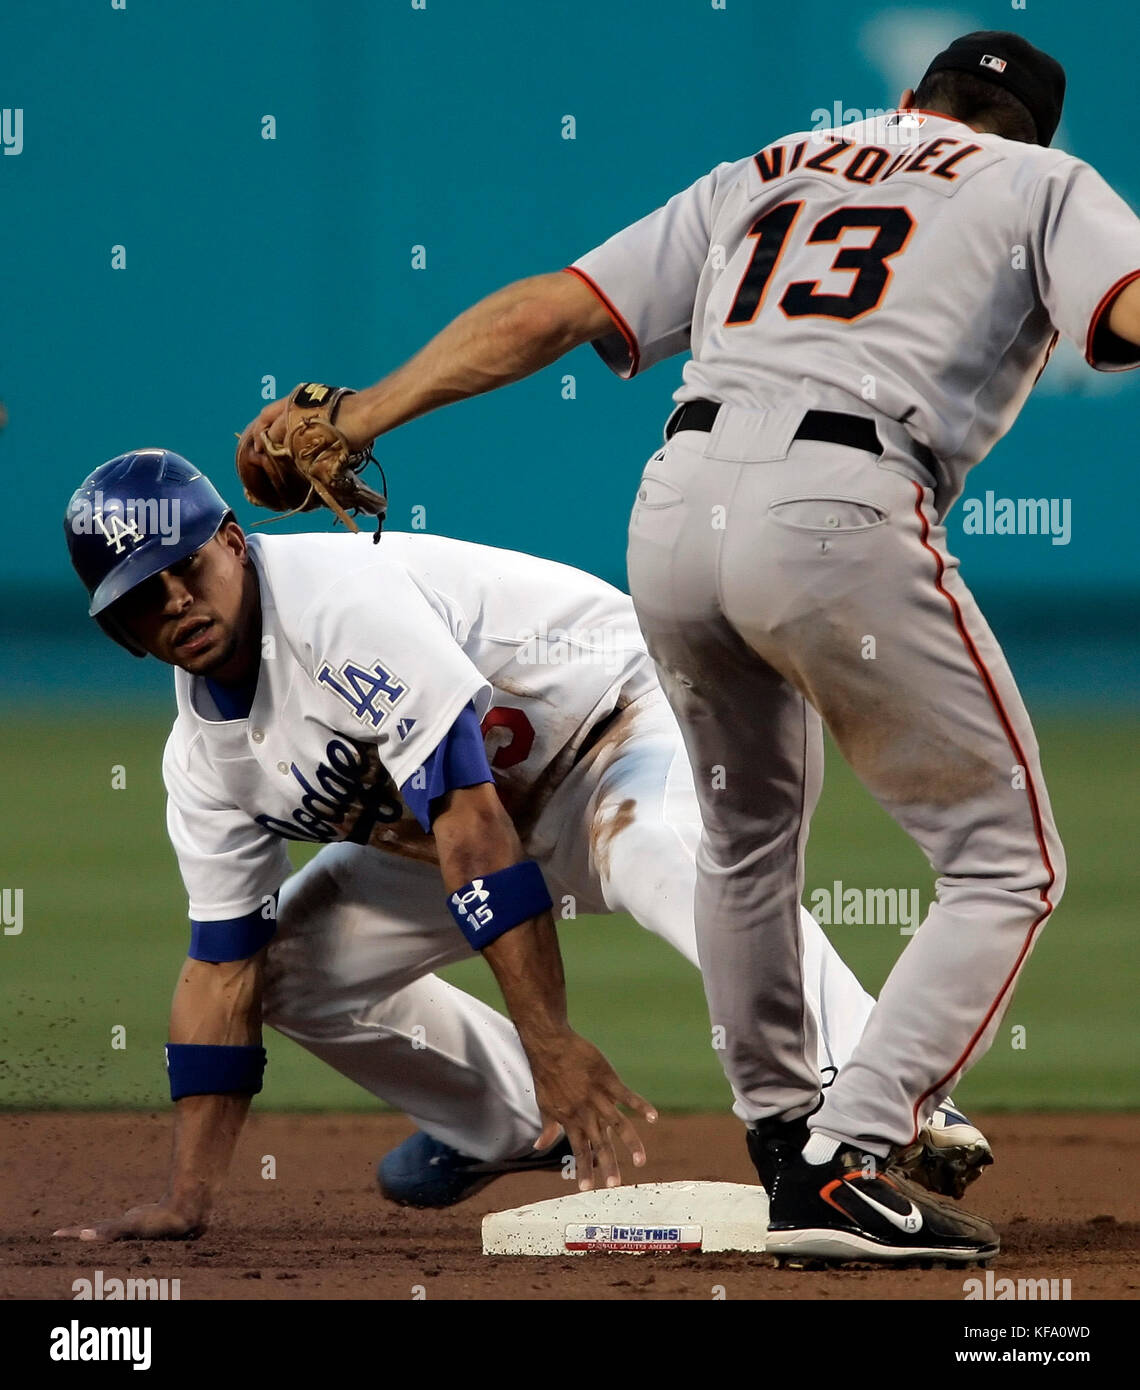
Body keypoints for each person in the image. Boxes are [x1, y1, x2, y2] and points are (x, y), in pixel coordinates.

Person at [239, 30, 1140, 1264]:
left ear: (904, 104)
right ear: (1030, 133)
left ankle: (783, 1137)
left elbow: (555, 307)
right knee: (1007, 863)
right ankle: (852, 1151)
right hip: (842, 510)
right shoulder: (1045, 184)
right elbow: (1128, 310)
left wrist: (361, 411)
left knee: (745, 838)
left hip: (676, 509)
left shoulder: (771, 166)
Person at [55, 450, 985, 1241]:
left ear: (231, 541)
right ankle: (505, 1123)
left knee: (662, 852)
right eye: (145, 597)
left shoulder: (332, 605)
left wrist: (555, 1037)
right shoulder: (203, 766)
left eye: (188, 567)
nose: (176, 601)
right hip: (483, 819)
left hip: (619, 725)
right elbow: (220, 972)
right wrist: (189, 1195)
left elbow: (475, 828)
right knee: (284, 973)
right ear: (119, 631)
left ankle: (889, 1097)